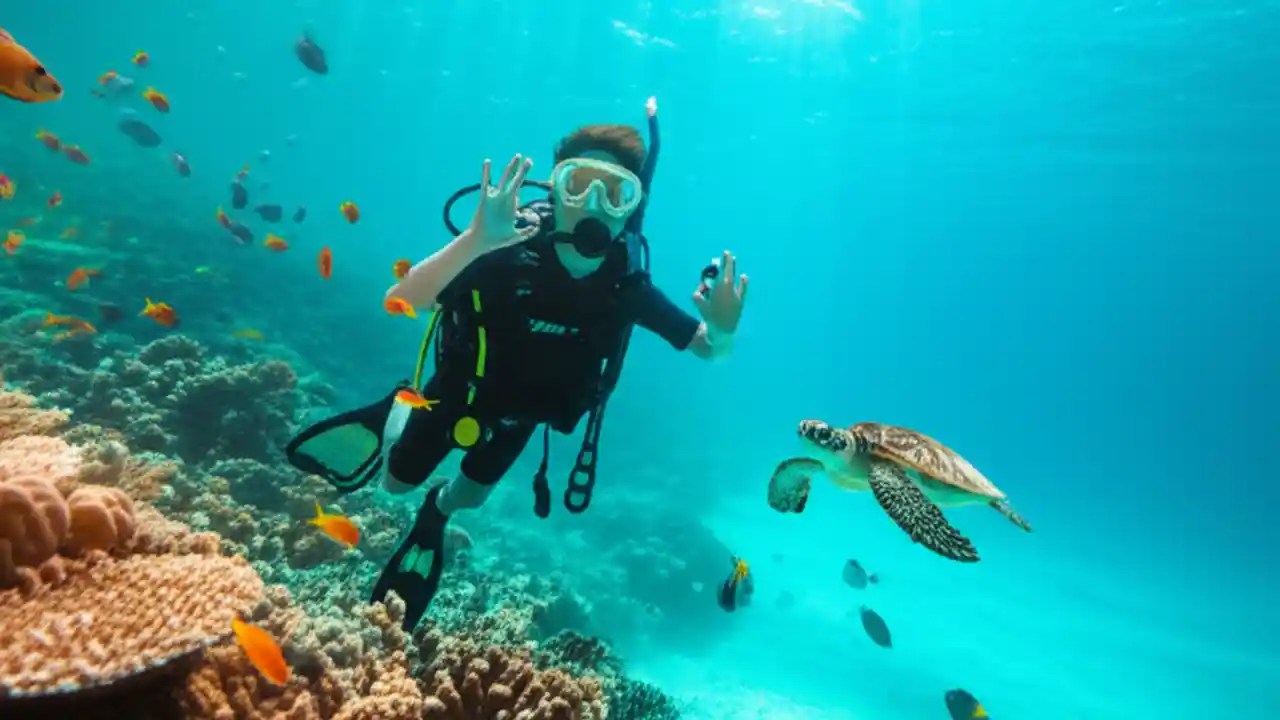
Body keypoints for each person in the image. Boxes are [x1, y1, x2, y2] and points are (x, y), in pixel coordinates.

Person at [286, 98, 749, 630]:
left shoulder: (626, 287)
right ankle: (398, 411)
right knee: (393, 484)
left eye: (617, 192)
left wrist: (724, 329)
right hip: (456, 391)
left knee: (469, 499)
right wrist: (476, 240)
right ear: (555, 187)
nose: (595, 203)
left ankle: (436, 515)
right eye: (578, 184)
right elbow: (403, 297)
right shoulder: (506, 249)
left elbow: (710, 350)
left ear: (630, 209)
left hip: (523, 417)